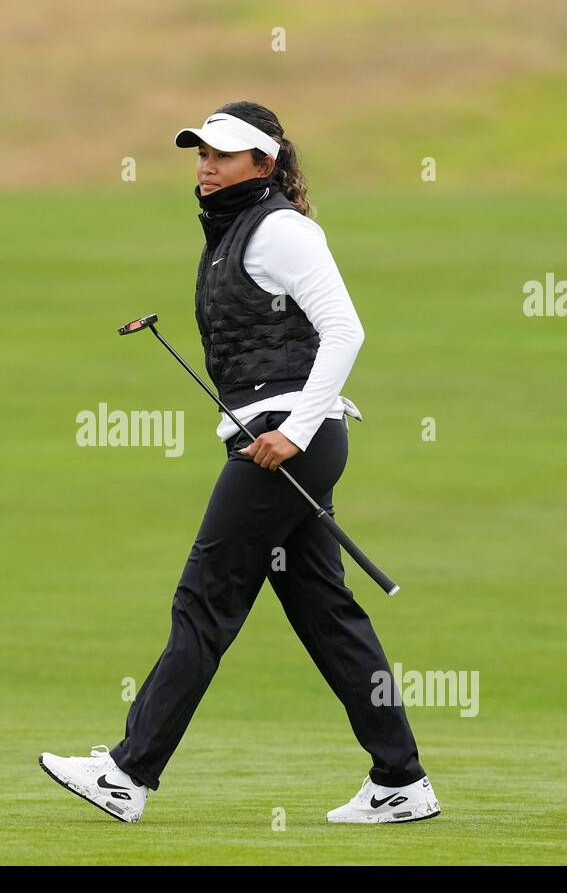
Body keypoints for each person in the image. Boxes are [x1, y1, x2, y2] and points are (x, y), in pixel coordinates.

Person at [39, 102, 439, 825]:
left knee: (204, 601)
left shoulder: (282, 230)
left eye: (222, 155)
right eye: (199, 154)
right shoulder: (234, 232)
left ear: (265, 162)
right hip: (276, 440)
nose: (206, 166)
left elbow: (346, 331)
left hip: (285, 444)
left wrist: (296, 428)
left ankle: (127, 775)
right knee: (327, 614)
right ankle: (400, 780)